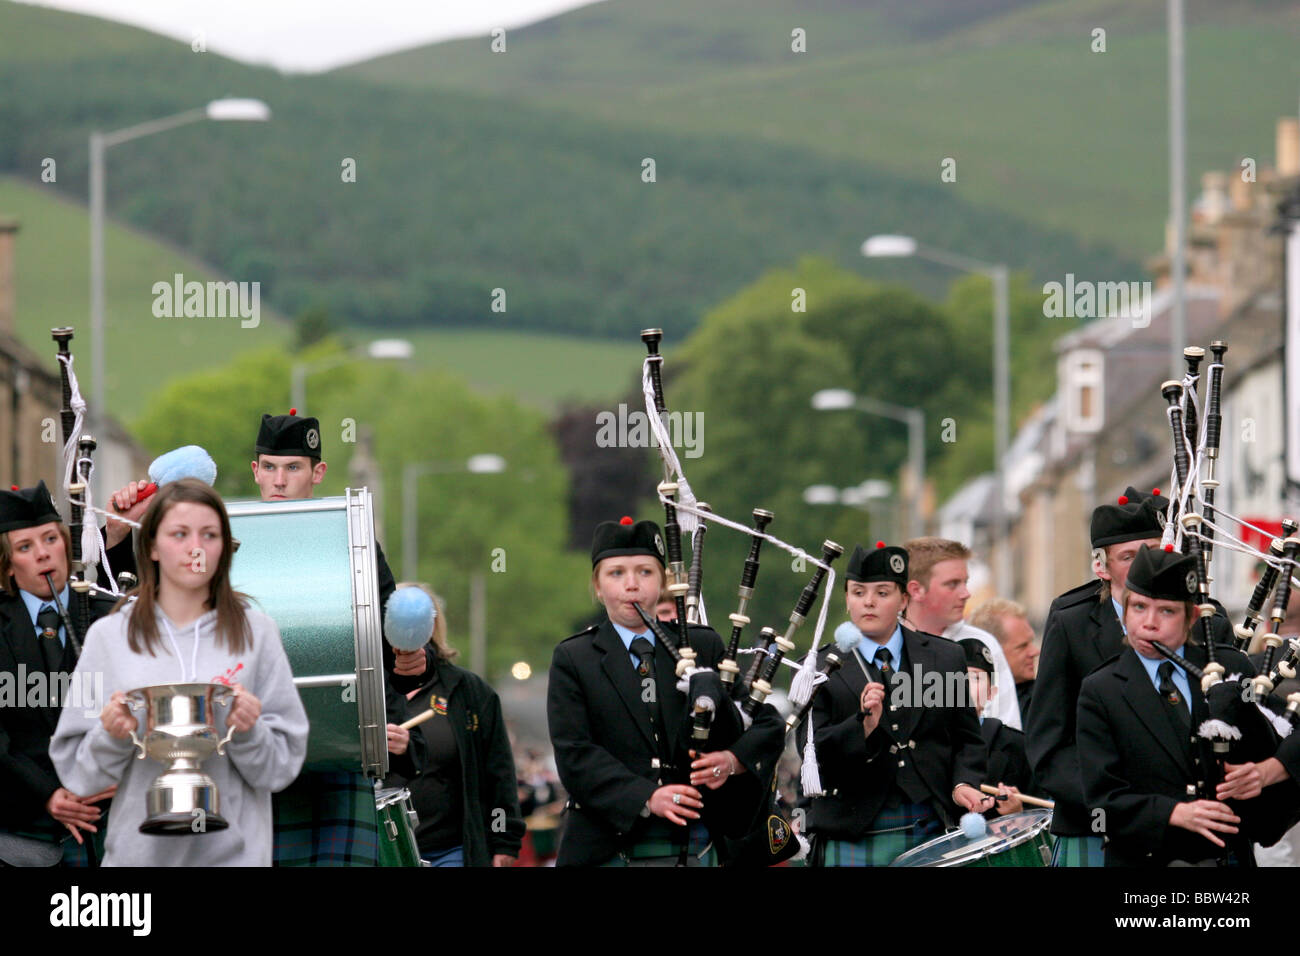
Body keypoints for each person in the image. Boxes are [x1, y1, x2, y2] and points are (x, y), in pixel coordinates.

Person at [111, 411, 421, 865]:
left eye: (293, 468)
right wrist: (120, 534)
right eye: (270, 467)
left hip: (335, 752)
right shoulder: (214, 537)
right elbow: (132, 595)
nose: (280, 480)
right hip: (238, 753)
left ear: (318, 473)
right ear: (255, 471)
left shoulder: (348, 541)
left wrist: (410, 674)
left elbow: (383, 642)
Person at [50, 479, 309, 865]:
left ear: (224, 547)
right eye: (180, 534)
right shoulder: (110, 636)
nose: (196, 549)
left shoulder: (257, 633)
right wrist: (111, 735)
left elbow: (279, 772)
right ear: (152, 546)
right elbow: (78, 775)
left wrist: (250, 731)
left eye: (210, 535)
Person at [547, 516, 783, 866]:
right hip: (610, 842)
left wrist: (731, 761)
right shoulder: (574, 658)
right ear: (597, 587)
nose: (632, 585)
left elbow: (765, 725)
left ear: (663, 582)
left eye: (645, 572)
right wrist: (647, 796)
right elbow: (575, 754)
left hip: (698, 836)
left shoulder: (702, 645)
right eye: (616, 573)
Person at [1027, 487, 1233, 866]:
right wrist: (1126, 806)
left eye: (1153, 549)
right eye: (1128, 556)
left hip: (1197, 828)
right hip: (1095, 823)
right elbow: (1048, 745)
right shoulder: (1071, 621)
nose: (1144, 564)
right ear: (1101, 567)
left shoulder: (1209, 622)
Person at [1076, 544, 1271, 867]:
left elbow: (1274, 749)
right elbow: (1100, 804)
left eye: (1166, 611)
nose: (1149, 623)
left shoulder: (1231, 669)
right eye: (1138, 607)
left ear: (1191, 616)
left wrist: (1259, 771)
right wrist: (1173, 813)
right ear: (1124, 611)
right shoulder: (1100, 690)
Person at [802, 542, 989, 866]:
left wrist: (963, 782)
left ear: (904, 599)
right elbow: (814, 759)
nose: (869, 602)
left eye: (882, 593)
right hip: (855, 832)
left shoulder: (946, 657)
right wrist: (862, 727)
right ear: (847, 599)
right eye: (858, 592)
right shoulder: (820, 669)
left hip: (928, 824)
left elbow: (968, 739)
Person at [0, 481, 119, 866]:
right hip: (22, 828)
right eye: (24, 547)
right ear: (8, 567)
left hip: (113, 819)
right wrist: (48, 795)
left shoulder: (114, 616)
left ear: (65, 545)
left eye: (50, 539)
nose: (42, 554)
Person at [385, 584, 524, 867]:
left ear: (431, 625)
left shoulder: (468, 691)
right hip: (383, 849)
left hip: (453, 850)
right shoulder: (369, 686)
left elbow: (498, 771)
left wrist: (505, 840)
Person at [903, 537, 1021, 730]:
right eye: (952, 584)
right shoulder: (884, 646)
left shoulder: (982, 644)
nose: (966, 593)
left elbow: (1007, 732)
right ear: (916, 590)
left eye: (965, 582)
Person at [955, 637, 1032, 817]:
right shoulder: (930, 742)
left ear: (991, 693)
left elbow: (1040, 811)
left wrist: (1019, 813)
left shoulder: (1016, 745)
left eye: (975, 678)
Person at [969, 598, 1039, 720]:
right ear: (992, 651)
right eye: (1022, 646)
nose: (1035, 652)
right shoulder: (962, 701)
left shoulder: (1044, 701)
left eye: (1031, 642)